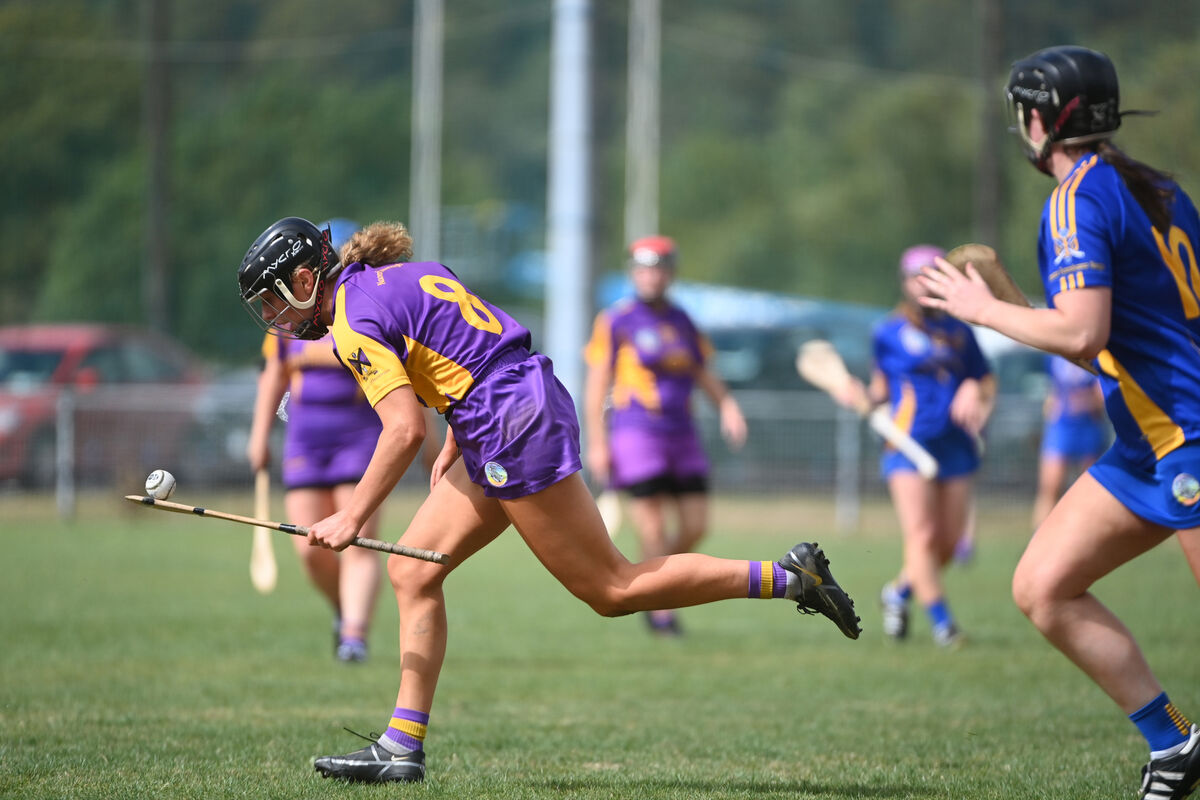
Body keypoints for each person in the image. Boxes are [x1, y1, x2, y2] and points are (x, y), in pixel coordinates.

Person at [236, 216, 862, 784]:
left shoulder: (352, 321)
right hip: (502, 408)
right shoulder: (406, 274)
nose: (275, 317)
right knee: (411, 567)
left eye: (273, 300)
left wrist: (351, 514)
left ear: (304, 276)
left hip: (509, 419)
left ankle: (790, 579)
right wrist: (458, 426)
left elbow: (402, 430)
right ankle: (402, 747)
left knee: (611, 589)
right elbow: (467, 349)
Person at [918, 45, 1200, 800]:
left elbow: (1080, 334)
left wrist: (982, 310)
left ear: (1041, 120)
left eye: (1023, 114)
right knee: (1045, 587)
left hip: (1190, 435)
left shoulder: (1077, 200)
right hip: (1147, 446)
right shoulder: (1160, 190)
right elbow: (1109, 343)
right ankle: (1174, 744)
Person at [583, 235, 748, 636]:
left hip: (683, 433)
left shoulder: (682, 321)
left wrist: (727, 406)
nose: (651, 276)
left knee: (696, 525)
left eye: (659, 268)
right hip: (636, 434)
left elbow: (702, 371)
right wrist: (598, 442)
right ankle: (660, 612)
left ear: (671, 273)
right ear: (633, 274)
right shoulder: (616, 320)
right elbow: (596, 384)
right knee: (652, 529)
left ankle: (651, 582)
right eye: (644, 268)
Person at [833, 244, 995, 648]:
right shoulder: (887, 333)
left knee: (948, 543)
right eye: (914, 278)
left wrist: (975, 389)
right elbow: (881, 390)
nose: (921, 285)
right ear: (904, 284)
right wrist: (862, 398)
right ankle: (944, 624)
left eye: (930, 276)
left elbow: (985, 378)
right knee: (922, 537)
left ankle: (897, 593)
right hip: (907, 444)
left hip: (956, 444)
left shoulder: (962, 331)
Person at [245, 218, 383, 663]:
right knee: (311, 549)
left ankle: (355, 637)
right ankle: (345, 612)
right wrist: (259, 434)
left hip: (359, 433)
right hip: (306, 437)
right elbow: (274, 375)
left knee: (356, 541)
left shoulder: (357, 313)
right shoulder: (292, 322)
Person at [1031, 355, 1108, 529]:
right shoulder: (1053, 356)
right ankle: (1040, 539)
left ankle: (1088, 535)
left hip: (1089, 427)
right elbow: (1053, 390)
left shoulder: (1097, 353)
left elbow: (1102, 395)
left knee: (1091, 490)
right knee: (1049, 487)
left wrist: (1086, 402)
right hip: (1061, 427)